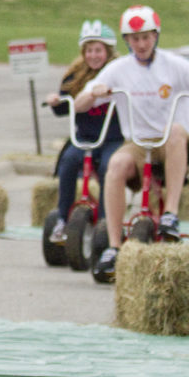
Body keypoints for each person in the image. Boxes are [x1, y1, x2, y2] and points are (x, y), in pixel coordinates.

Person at [72, 5, 189, 281]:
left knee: (176, 131)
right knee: (116, 163)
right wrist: (93, 93)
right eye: (134, 39)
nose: (141, 44)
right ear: (126, 41)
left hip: (174, 143)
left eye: (146, 37)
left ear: (156, 35)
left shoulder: (175, 65)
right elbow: (81, 103)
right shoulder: (117, 69)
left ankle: (171, 213)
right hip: (139, 144)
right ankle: (114, 246)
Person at [44, 20, 123, 243]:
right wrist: (55, 101)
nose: (93, 55)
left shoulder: (120, 72)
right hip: (85, 137)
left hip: (112, 138)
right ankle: (62, 217)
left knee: (110, 167)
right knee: (68, 161)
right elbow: (63, 106)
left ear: (108, 51)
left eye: (98, 50)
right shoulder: (75, 75)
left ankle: (108, 223)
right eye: (89, 50)